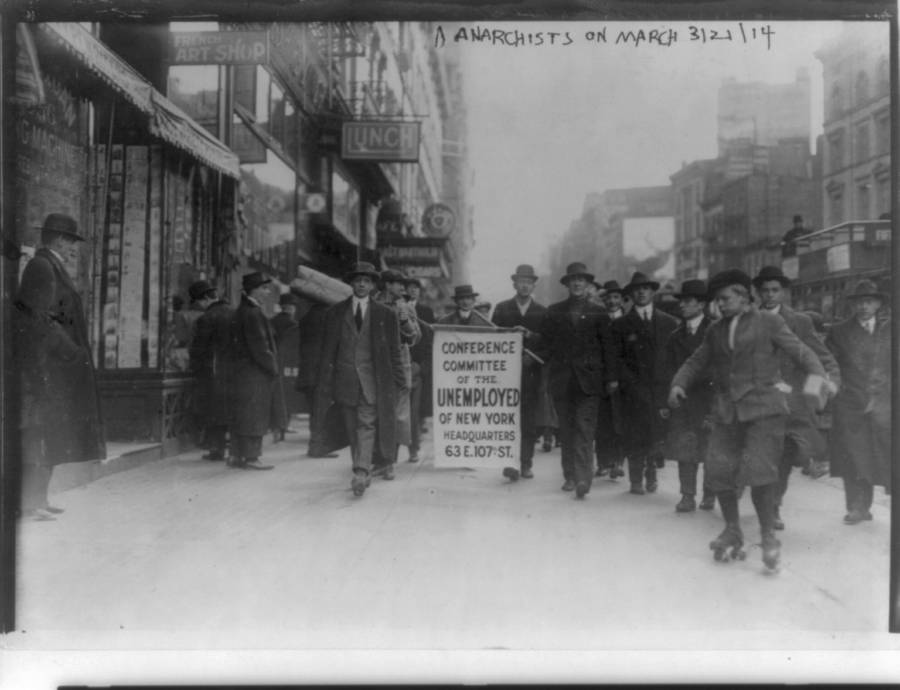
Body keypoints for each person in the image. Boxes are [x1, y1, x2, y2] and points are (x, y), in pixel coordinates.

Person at [669, 269, 827, 570]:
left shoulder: (769, 322)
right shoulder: (715, 330)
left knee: (760, 474)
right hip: (728, 412)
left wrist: (815, 392)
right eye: (717, 300)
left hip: (764, 412)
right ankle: (732, 530)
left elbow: (804, 354)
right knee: (718, 471)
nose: (720, 304)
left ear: (743, 296)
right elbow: (696, 360)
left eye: (725, 298)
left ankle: (768, 537)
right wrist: (678, 383)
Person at [14, 213, 106, 520]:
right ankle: (29, 503)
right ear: (58, 240)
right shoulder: (42, 267)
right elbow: (39, 319)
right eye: (71, 242)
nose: (73, 249)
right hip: (46, 369)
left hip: (54, 367)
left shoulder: (49, 266)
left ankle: (39, 498)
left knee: (51, 434)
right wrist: (71, 351)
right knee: (41, 434)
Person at [752, 265, 841, 530]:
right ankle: (758, 499)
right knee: (759, 456)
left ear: (784, 292)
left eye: (775, 290)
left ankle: (774, 506)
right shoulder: (748, 320)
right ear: (757, 293)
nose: (770, 295)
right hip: (756, 402)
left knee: (784, 458)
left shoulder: (800, 322)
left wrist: (827, 384)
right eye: (765, 290)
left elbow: (823, 358)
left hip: (790, 407)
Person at [316, 262, 405, 497]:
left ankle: (361, 472)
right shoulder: (334, 313)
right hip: (344, 381)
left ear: (374, 285)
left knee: (366, 424)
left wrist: (399, 380)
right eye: (358, 280)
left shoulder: (386, 314)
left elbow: (395, 351)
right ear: (351, 284)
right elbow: (327, 352)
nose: (362, 284)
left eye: (366, 281)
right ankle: (361, 467)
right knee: (351, 427)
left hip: (373, 382)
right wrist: (324, 383)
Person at [538, 262, 616, 500]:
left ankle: (583, 478)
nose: (577, 283)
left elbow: (608, 348)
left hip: (590, 383)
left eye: (581, 280)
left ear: (587, 283)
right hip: (562, 382)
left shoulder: (599, 312)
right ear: (567, 284)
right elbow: (545, 346)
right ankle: (570, 476)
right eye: (573, 280)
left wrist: (611, 378)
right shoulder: (554, 311)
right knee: (567, 430)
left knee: (584, 429)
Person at [825, 279, 890, 525]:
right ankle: (855, 506)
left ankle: (865, 505)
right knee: (853, 456)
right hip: (850, 404)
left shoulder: (888, 331)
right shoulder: (839, 332)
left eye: (869, 301)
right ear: (853, 305)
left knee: (874, 457)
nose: (864, 306)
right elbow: (829, 365)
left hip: (882, 406)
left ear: (878, 304)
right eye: (859, 302)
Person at [612, 271, 679, 496]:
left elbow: (673, 357)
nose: (641, 292)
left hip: (660, 387)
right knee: (634, 433)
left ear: (652, 292)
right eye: (637, 289)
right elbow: (617, 359)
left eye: (646, 289)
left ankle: (651, 471)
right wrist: (629, 384)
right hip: (632, 389)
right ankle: (635, 479)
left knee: (655, 432)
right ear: (631, 294)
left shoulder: (669, 323)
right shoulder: (621, 324)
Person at [664, 279, 715, 512]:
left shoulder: (714, 331)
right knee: (685, 448)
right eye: (681, 302)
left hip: (709, 399)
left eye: (687, 302)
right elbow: (667, 369)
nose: (682, 306)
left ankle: (710, 493)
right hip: (683, 401)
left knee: (711, 448)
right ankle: (687, 495)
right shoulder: (675, 336)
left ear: (701, 304)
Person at [492, 264, 547, 481]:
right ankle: (509, 462)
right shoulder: (502, 308)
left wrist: (531, 343)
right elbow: (491, 339)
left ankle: (525, 463)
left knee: (528, 419)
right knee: (506, 419)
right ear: (514, 283)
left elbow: (549, 341)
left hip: (531, 373)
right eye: (521, 281)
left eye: (529, 282)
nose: (524, 286)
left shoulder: (543, 311)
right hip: (505, 374)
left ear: (534, 285)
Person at [228, 272, 278, 471]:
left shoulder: (242, 310)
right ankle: (251, 457)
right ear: (254, 290)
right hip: (255, 373)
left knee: (243, 414)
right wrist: (272, 367)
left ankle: (238, 455)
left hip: (242, 372)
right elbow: (260, 347)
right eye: (264, 288)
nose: (267, 292)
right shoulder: (254, 313)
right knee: (254, 415)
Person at [376, 269, 421, 475]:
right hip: (374, 364)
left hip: (399, 366)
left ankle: (389, 462)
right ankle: (377, 458)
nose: (402, 288)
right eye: (397, 284)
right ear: (386, 285)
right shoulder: (372, 303)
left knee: (396, 413)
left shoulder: (404, 307)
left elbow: (415, 337)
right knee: (374, 411)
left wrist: (405, 322)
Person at [188, 280, 233, 462]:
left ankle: (217, 449)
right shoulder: (233, 312)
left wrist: (194, 366)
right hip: (233, 371)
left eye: (198, 302)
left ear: (206, 298)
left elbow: (199, 350)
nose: (198, 306)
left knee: (213, 411)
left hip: (212, 372)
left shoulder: (206, 319)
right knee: (230, 410)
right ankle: (235, 450)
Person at [594, 279, 626, 479]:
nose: (612, 301)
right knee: (602, 420)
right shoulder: (598, 318)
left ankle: (619, 461)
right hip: (600, 377)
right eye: (608, 298)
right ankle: (603, 461)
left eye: (616, 297)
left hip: (624, 379)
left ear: (622, 299)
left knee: (621, 420)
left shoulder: (629, 319)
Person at [295, 299, 335, 458]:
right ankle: (317, 447)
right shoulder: (328, 317)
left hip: (308, 371)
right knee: (322, 411)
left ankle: (315, 445)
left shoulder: (306, 317)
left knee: (314, 410)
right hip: (321, 372)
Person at [405, 277, 435, 459]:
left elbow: (430, 341)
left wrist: (424, 366)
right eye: (410, 287)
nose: (413, 290)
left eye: (416, 288)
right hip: (398, 365)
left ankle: (413, 449)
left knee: (414, 412)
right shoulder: (395, 308)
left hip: (416, 367)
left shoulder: (426, 312)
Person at [270, 292, 300, 442]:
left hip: (274, 362)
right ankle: (285, 425)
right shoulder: (294, 325)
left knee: (276, 394)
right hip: (289, 365)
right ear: (292, 308)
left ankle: (276, 427)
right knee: (288, 394)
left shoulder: (271, 321)